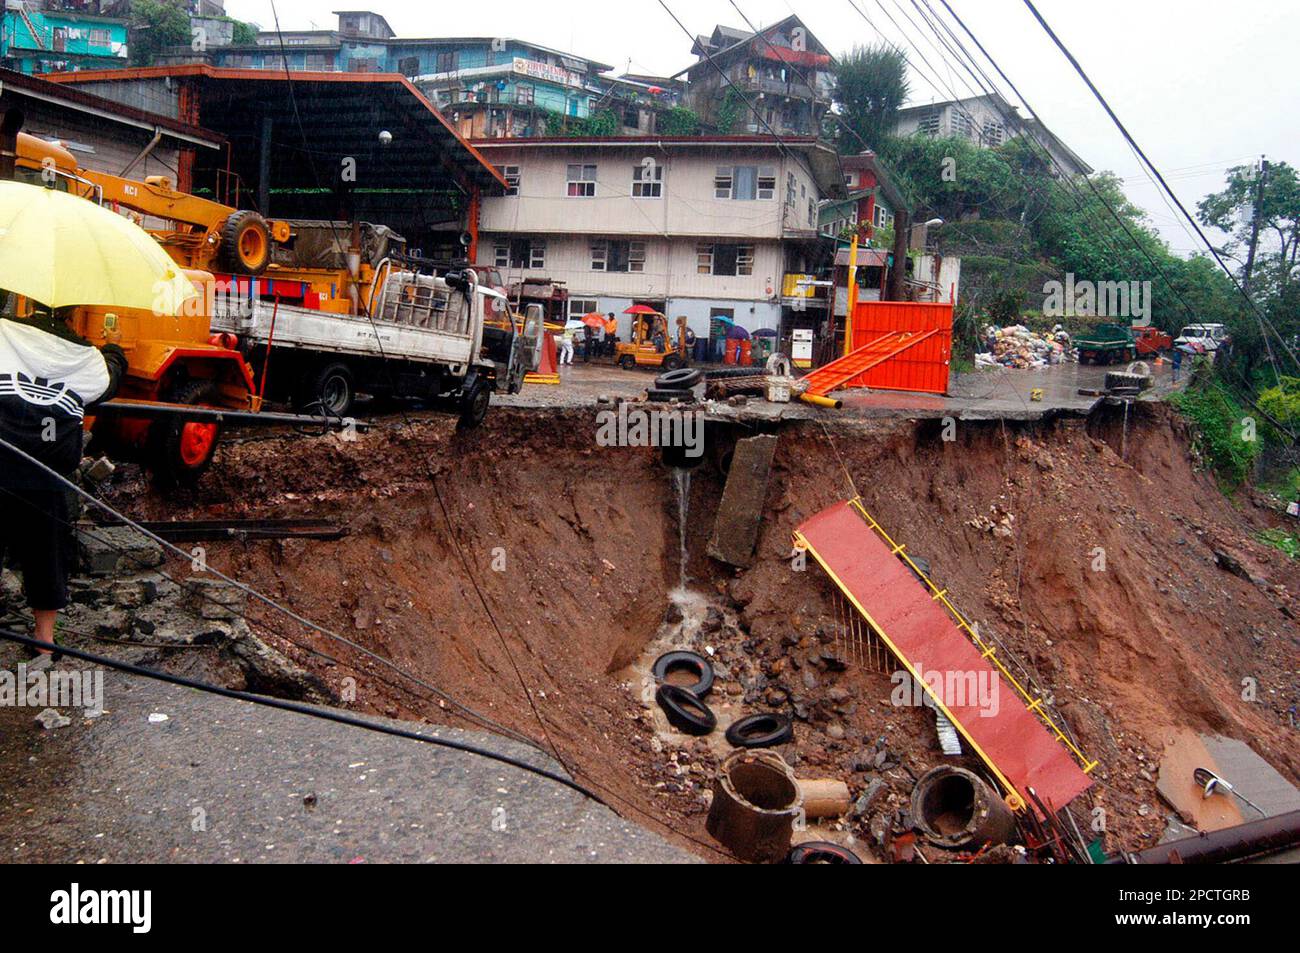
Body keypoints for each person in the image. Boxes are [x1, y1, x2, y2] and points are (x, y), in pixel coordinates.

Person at [0, 299, 126, 659]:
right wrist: (113, 346)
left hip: (1, 459)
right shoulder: (85, 355)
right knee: (47, 555)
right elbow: (109, 382)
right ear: (72, 313)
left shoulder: (3, 330)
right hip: (48, 474)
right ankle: (44, 643)